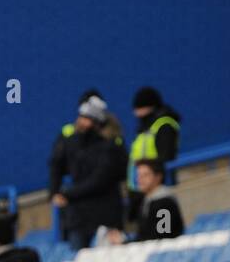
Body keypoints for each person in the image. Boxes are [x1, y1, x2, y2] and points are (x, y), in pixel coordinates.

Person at [51, 96, 125, 251]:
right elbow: (56, 164)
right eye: (81, 117)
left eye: (86, 118)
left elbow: (99, 181)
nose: (81, 122)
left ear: (96, 122)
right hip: (79, 218)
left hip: (106, 216)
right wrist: (54, 192)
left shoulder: (109, 148)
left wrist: (67, 194)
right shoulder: (71, 143)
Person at [48, 87, 105, 241]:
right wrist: (54, 192)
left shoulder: (108, 136)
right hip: (77, 204)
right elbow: (56, 164)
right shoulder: (68, 134)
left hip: (102, 203)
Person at [127, 86, 181, 224]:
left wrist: (153, 179)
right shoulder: (144, 128)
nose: (137, 114)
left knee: (161, 232)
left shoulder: (164, 125)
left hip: (158, 187)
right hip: (141, 192)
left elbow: (166, 156)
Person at [107, 158, 185, 243]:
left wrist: (124, 242)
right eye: (138, 175)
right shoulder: (145, 199)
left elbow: (162, 238)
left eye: (145, 175)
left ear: (158, 177)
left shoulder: (164, 204)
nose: (140, 179)